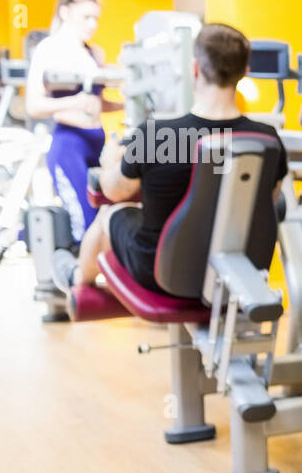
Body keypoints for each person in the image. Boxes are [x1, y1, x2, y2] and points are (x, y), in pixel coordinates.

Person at [51, 23, 288, 296]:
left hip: (163, 273)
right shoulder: (266, 140)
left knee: (109, 213)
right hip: (240, 269)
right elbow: (267, 202)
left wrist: (109, 162)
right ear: (244, 73)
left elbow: (116, 191)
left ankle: (79, 278)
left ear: (195, 69)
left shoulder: (156, 135)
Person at [24, 0, 123, 244]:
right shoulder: (49, 49)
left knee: (106, 216)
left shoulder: (95, 53)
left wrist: (129, 104)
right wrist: (75, 101)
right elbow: (34, 105)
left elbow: (98, 104)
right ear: (65, 12)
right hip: (70, 144)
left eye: (96, 19)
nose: (92, 24)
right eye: (86, 17)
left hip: (98, 143)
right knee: (86, 222)